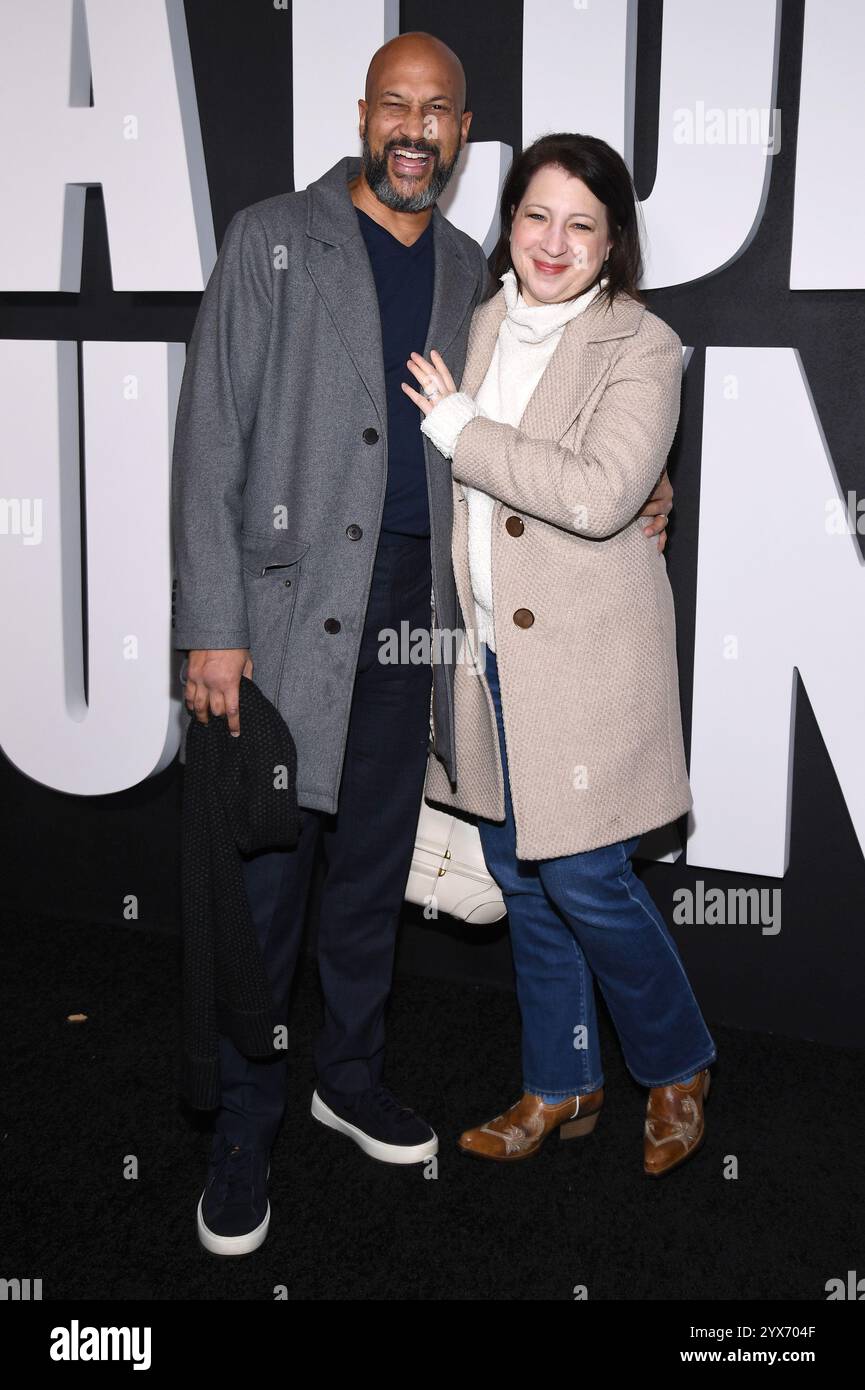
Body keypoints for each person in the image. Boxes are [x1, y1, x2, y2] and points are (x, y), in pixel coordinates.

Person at [173, 36, 675, 1257]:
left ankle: (347, 1077)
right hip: (285, 623)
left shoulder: (475, 276)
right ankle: (246, 1120)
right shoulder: (267, 239)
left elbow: (556, 432)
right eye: (394, 106)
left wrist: (649, 498)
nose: (414, 128)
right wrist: (213, 631)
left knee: (369, 878)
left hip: (423, 623)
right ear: (362, 116)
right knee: (266, 887)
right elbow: (209, 446)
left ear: (462, 136)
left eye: (437, 111)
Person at [406, 132, 715, 1178]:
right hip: (485, 658)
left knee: (584, 873)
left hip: (584, 666)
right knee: (518, 875)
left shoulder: (640, 343)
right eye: (537, 214)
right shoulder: (480, 321)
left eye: (582, 223)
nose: (554, 240)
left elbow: (595, 494)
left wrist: (461, 426)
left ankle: (676, 1062)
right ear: (509, 221)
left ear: (611, 241)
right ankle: (560, 1079)